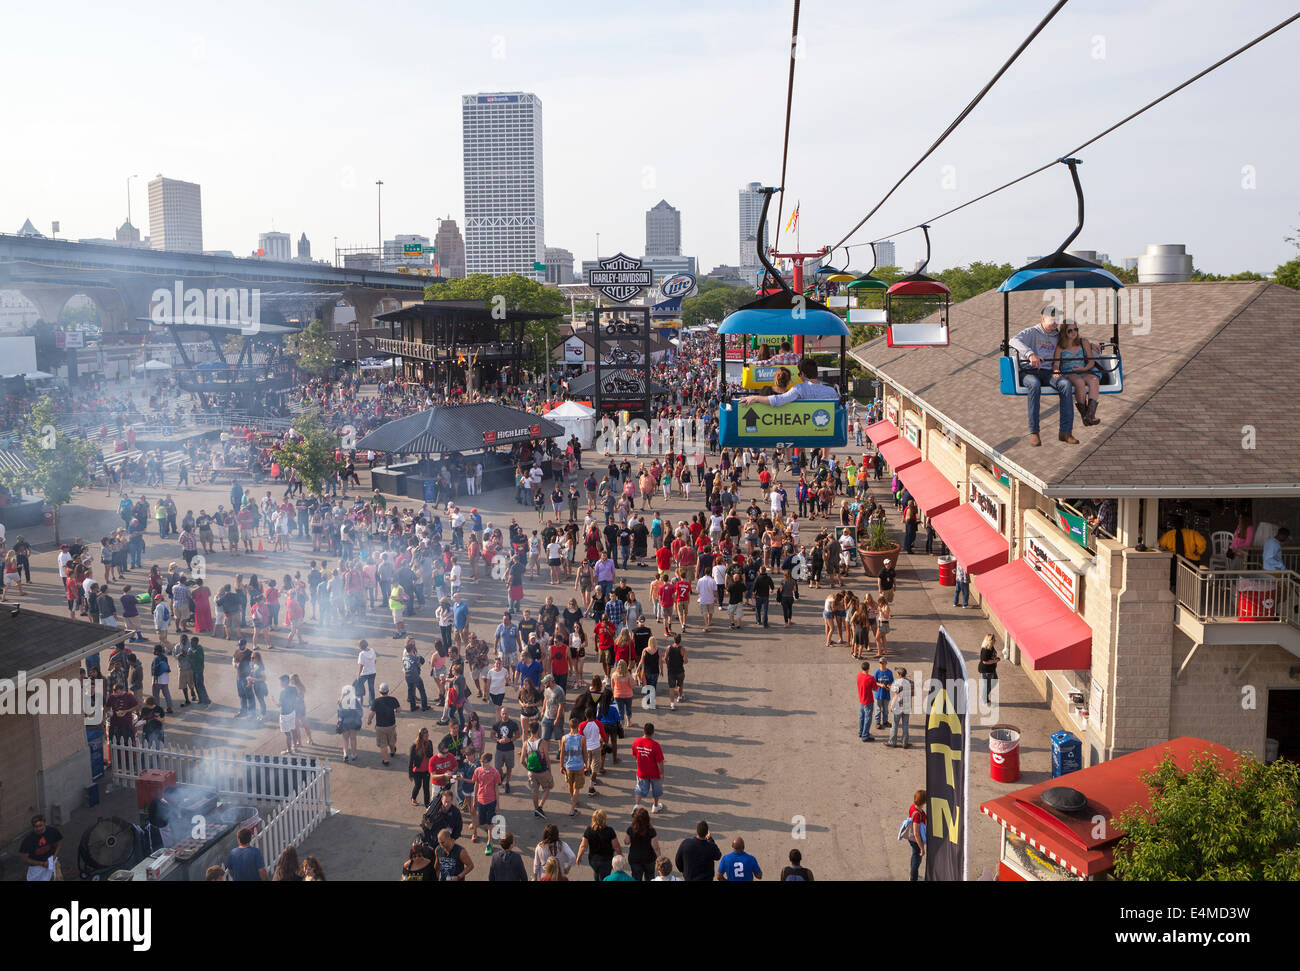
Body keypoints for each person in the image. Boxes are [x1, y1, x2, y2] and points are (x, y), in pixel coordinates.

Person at [1008, 305, 1078, 446]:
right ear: (1043, 318)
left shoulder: (1058, 335)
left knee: (1066, 385)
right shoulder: (1032, 332)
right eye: (1052, 320)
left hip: (1048, 373)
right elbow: (1013, 341)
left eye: (1057, 320)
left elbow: (1074, 342)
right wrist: (1030, 354)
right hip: (1029, 372)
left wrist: (1090, 345)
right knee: (1034, 385)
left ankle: (1065, 432)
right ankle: (1034, 432)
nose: (1055, 323)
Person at [1053, 318, 1103, 426]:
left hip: (1083, 371)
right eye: (1069, 330)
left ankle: (1090, 415)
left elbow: (1091, 362)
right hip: (1069, 373)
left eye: (1075, 329)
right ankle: (1085, 415)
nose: (1073, 332)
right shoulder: (1061, 347)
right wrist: (1056, 370)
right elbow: (1056, 364)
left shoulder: (1083, 342)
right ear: (1064, 332)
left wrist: (1084, 369)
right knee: (1079, 382)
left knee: (1094, 380)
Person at [740, 358, 840, 407]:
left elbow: (779, 400)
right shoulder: (831, 391)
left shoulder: (799, 389)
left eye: (799, 374)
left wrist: (754, 397)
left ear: (803, 374)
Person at [576, 808, 621, 881]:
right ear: (604, 819)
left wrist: (579, 856)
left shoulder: (589, 830)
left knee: (597, 873)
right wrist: (620, 855)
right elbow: (616, 846)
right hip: (607, 860)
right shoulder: (609, 830)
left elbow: (583, 846)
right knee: (604, 877)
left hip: (594, 860)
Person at [631, 721, 665, 813]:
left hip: (641, 772)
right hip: (654, 773)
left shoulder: (636, 741)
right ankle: (655, 806)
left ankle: (637, 805)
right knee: (656, 790)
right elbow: (659, 762)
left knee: (639, 789)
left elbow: (635, 755)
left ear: (643, 731)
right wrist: (661, 773)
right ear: (653, 732)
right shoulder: (655, 745)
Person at [521, 721, 554, 818]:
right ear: (538, 730)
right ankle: (540, 807)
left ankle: (536, 810)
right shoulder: (542, 742)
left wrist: (528, 768)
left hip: (531, 771)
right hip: (542, 770)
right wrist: (550, 771)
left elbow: (521, 760)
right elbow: (547, 758)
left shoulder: (525, 743)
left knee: (534, 791)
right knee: (547, 788)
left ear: (530, 731)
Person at [471, 751, 502, 850]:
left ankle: (489, 842)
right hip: (480, 801)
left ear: (490, 762)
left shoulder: (495, 773)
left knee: (489, 822)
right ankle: (491, 828)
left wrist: (497, 804)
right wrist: (474, 800)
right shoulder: (478, 771)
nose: (484, 765)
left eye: (486, 762)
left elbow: (497, 788)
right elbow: (476, 785)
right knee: (481, 822)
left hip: (491, 801)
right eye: (482, 762)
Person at [20, 814, 63, 882]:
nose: (38, 829)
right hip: (37, 868)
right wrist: (41, 864)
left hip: (52, 862)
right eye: (36, 826)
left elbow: (59, 843)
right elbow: (24, 859)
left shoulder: (52, 831)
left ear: (45, 824)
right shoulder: (28, 840)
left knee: (58, 878)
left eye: (40, 826)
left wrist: (54, 856)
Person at [366, 683, 401, 764]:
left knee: (383, 744)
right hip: (391, 725)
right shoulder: (393, 699)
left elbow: (372, 713)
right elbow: (399, 710)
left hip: (380, 726)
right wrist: (395, 710)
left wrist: (369, 720)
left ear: (379, 691)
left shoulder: (376, 701)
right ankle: (392, 752)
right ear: (388, 691)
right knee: (392, 741)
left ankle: (386, 760)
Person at [625, 806, 661, 882]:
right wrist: (659, 859)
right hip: (649, 859)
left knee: (636, 877)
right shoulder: (651, 830)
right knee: (650, 877)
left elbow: (626, 842)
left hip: (635, 858)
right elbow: (656, 847)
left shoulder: (631, 829)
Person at [888, 666, 913, 748]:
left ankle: (892, 742)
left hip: (898, 706)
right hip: (906, 706)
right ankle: (904, 743)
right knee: (905, 725)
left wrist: (891, 705)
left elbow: (895, 694)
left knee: (895, 725)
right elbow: (912, 694)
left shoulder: (896, 682)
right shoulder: (911, 682)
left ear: (899, 675)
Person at [337, 685, 363, 762]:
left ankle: (345, 754)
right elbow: (360, 713)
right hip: (354, 722)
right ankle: (353, 755)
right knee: (353, 738)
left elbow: (339, 713)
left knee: (345, 739)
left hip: (344, 722)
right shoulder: (355, 701)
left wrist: (339, 721)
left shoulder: (340, 701)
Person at [906, 789, 927, 881]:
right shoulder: (917, 815)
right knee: (916, 860)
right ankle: (913, 878)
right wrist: (922, 848)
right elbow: (916, 833)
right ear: (923, 802)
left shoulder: (913, 807)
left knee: (914, 857)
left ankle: (913, 875)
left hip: (913, 840)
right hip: (915, 841)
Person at [857, 661, 877, 742]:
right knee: (868, 718)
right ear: (868, 668)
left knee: (861, 716)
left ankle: (861, 732)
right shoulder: (870, 678)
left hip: (861, 699)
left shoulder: (858, 676)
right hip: (868, 700)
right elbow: (875, 689)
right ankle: (865, 735)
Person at [978, 634, 999, 706]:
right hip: (986, 671)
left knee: (995, 681)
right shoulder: (985, 650)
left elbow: (992, 656)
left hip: (992, 669)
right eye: (994, 640)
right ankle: (984, 699)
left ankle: (984, 695)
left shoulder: (991, 647)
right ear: (989, 641)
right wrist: (995, 661)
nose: (995, 641)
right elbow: (985, 661)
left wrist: (996, 659)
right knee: (987, 685)